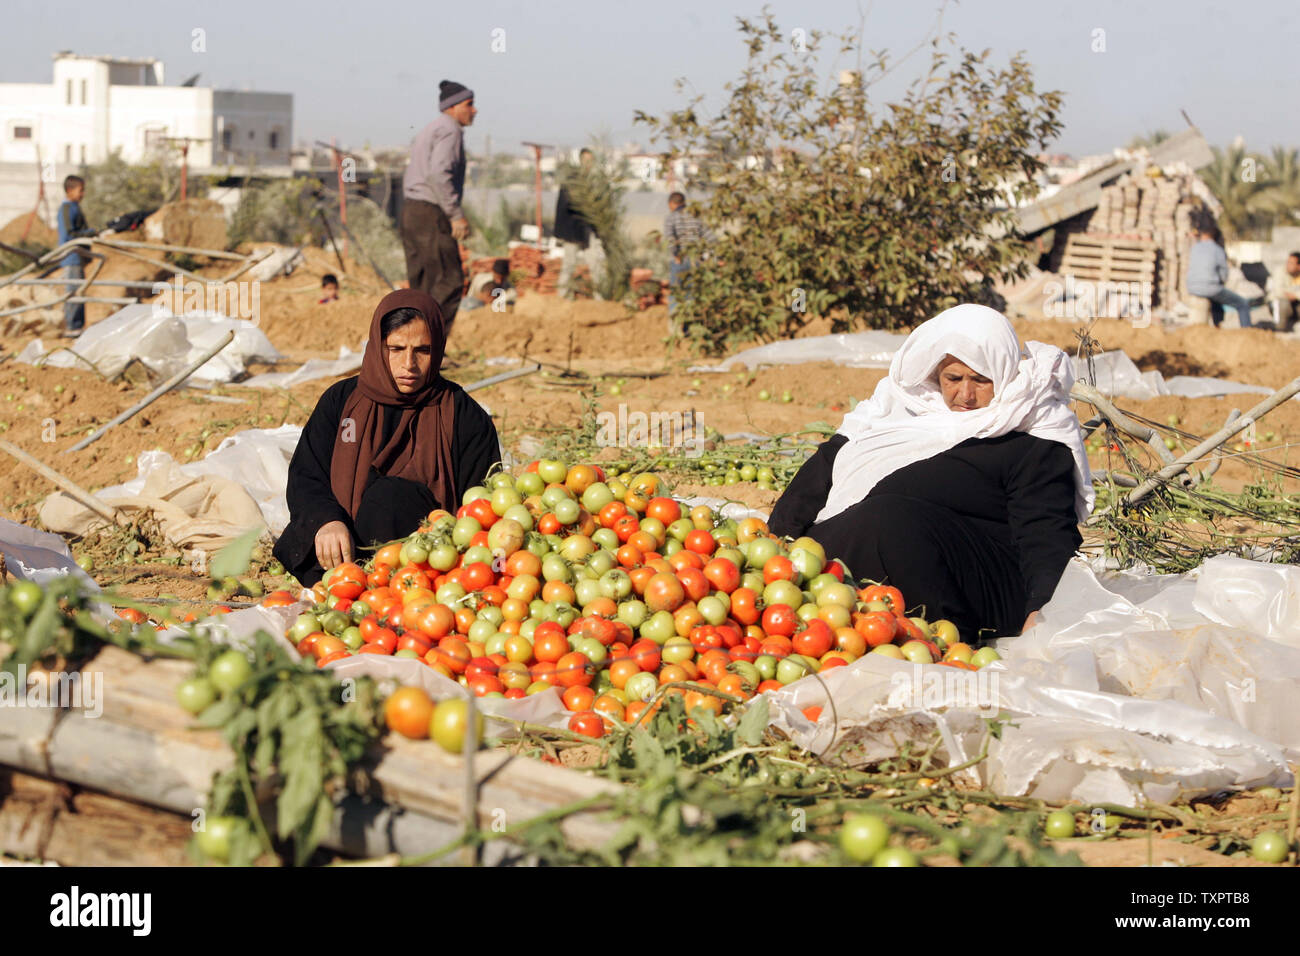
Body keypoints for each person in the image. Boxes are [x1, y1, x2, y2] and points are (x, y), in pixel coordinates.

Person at [767, 304, 1092, 642]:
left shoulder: (1032, 434)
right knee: (842, 538)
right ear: (937, 373)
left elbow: (1045, 531)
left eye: (981, 380)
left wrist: (1044, 608)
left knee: (888, 518)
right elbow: (821, 473)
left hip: (979, 582)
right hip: (877, 561)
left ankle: (937, 640)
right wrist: (775, 546)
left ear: (1004, 373)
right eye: (953, 378)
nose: (965, 395)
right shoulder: (896, 411)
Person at [273, 289, 500, 586]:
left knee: (389, 498)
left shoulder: (462, 415)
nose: (409, 364)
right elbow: (307, 476)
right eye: (396, 349)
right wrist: (326, 521)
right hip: (341, 555)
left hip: (424, 562)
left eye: (423, 350)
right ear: (378, 347)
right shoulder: (342, 402)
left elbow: (479, 503)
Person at [401, 80, 476, 325]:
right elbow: (439, 174)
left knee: (421, 286)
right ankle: (430, 347)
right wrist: (455, 214)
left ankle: (410, 347)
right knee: (450, 280)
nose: (474, 110)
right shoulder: (450, 130)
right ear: (453, 107)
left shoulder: (431, 128)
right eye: (469, 104)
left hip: (412, 210)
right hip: (430, 213)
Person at [1186, 216, 1254, 329]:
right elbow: (1224, 275)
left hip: (1191, 287)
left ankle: (1218, 325)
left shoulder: (1195, 248)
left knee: (1216, 299)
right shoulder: (1218, 250)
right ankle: (1246, 331)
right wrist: (1220, 282)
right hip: (1210, 288)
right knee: (1243, 304)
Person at [554, 149, 600, 299]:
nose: (589, 164)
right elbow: (566, 207)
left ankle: (600, 297)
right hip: (573, 231)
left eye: (591, 161)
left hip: (586, 230)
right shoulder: (573, 181)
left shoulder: (592, 182)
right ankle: (561, 296)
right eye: (586, 160)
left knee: (594, 263)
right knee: (569, 264)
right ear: (581, 161)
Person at [57, 175, 96, 338]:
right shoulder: (67, 208)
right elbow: (70, 233)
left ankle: (78, 327)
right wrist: (89, 233)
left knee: (79, 291)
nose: (82, 194)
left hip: (78, 257)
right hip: (71, 256)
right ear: (70, 190)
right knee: (73, 292)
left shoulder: (74, 207)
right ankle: (72, 327)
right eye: (80, 190)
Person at [663, 191, 708, 318]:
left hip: (679, 261)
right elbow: (708, 236)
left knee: (676, 293)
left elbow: (670, 238)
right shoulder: (695, 216)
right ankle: (691, 323)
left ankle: (676, 325)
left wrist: (676, 255)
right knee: (692, 293)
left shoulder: (671, 218)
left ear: (672, 204)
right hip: (696, 260)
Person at [1268, 251, 1300, 332]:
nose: (1288, 265)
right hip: (1277, 303)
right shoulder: (1280, 272)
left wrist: (1295, 295)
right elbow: (1278, 292)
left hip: (1295, 302)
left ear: (1298, 266)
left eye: (1291, 263)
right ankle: (1279, 329)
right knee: (1283, 303)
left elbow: (1293, 295)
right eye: (1288, 262)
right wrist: (1295, 295)